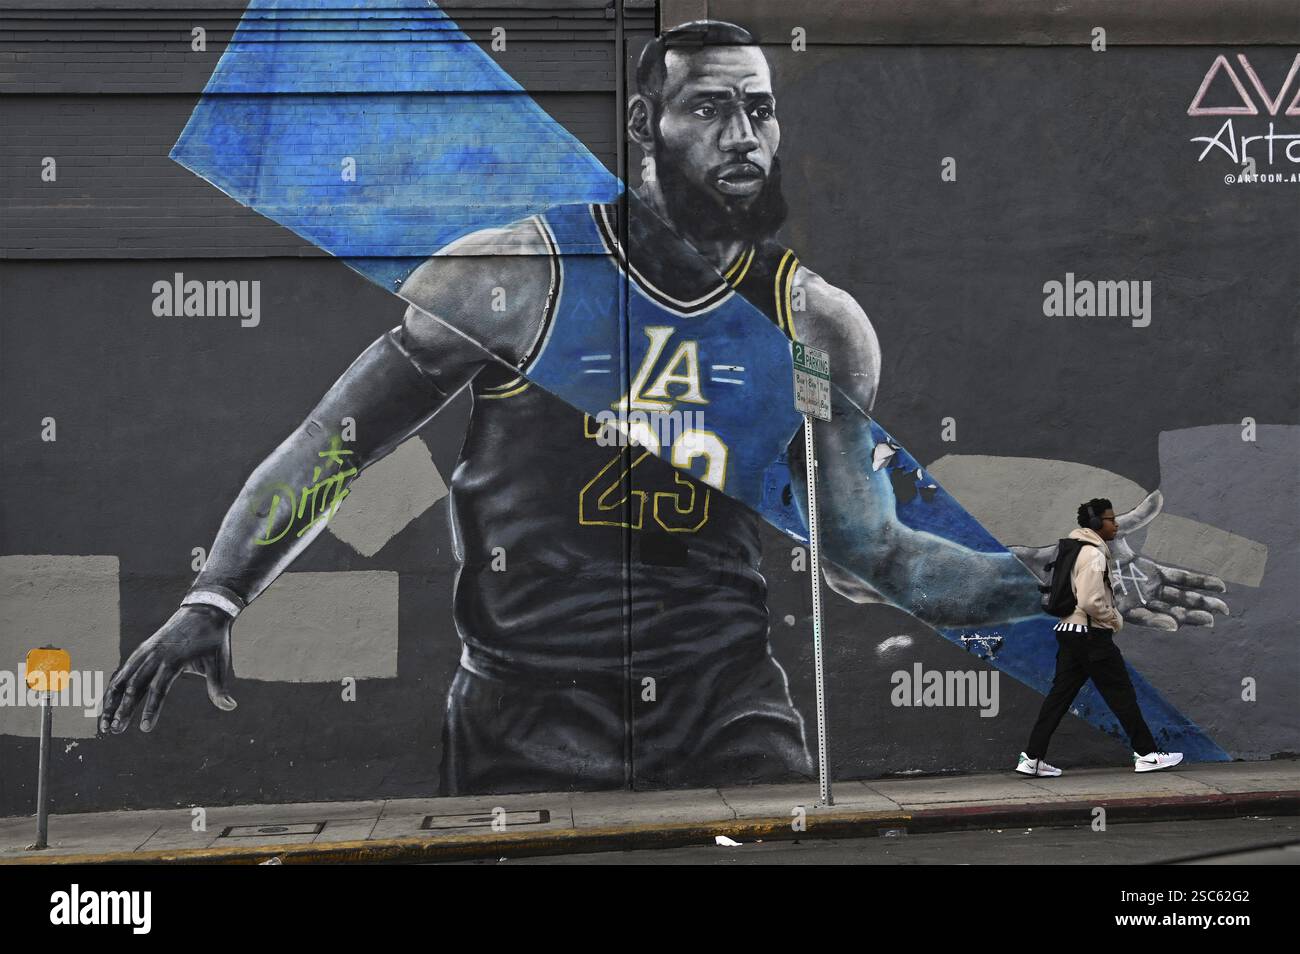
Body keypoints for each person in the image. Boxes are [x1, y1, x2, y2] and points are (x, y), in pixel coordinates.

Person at [98, 20, 1052, 794]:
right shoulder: (514, 277)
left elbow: (869, 553)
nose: (744, 138)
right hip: (526, 712)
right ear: (642, 125)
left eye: (760, 111)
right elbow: (332, 445)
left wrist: (1052, 580)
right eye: (710, 110)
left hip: (728, 708)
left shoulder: (817, 325)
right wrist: (217, 592)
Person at [1016, 499, 1184, 777]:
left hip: (1069, 632)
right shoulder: (1093, 554)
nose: (1115, 524)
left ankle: (1032, 758)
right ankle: (1148, 754)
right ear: (1095, 524)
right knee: (1122, 694)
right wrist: (1114, 619)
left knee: (1059, 697)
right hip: (1090, 635)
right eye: (1110, 519)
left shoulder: (1072, 549)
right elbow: (1091, 600)